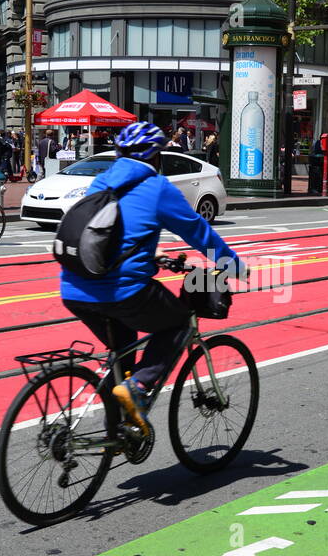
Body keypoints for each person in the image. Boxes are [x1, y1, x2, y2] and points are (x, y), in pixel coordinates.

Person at [59, 122, 247, 434]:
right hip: (122, 291)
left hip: (73, 289)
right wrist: (233, 264)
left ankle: (118, 429)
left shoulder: (100, 183)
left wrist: (153, 257)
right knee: (178, 324)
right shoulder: (157, 187)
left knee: (123, 354)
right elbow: (198, 231)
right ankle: (137, 389)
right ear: (155, 157)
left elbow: (107, 235)